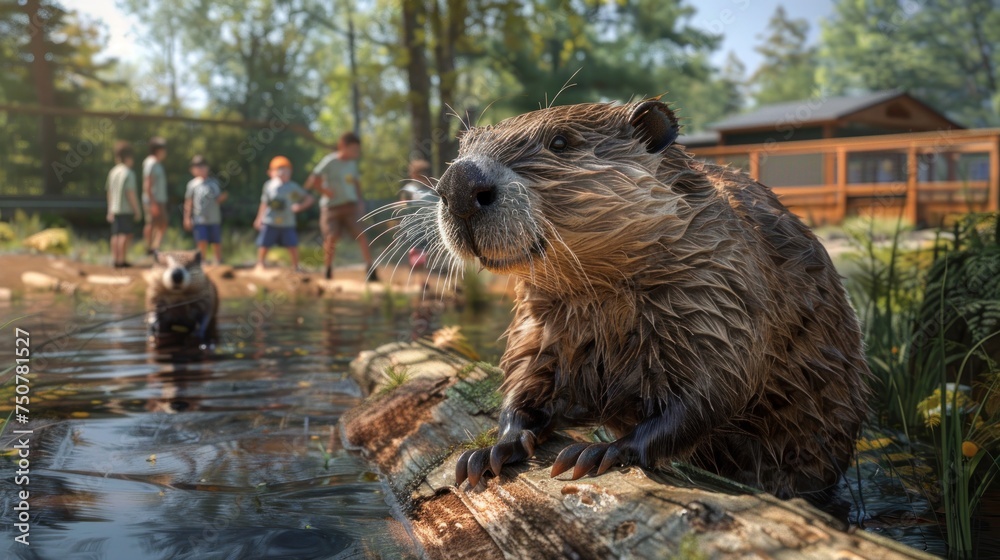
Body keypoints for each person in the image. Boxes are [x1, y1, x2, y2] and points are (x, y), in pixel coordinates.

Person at [305, 132, 377, 281]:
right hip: (331, 209)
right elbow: (313, 179)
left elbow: (356, 183)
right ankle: (328, 270)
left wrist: (360, 201)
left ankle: (370, 268)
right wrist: (325, 191)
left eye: (357, 150)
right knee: (331, 237)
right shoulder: (330, 161)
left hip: (351, 207)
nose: (356, 153)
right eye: (353, 149)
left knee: (362, 234)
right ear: (342, 146)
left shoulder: (352, 164)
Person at [253, 156, 314, 272]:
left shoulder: (293, 188)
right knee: (264, 243)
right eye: (280, 170)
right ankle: (260, 264)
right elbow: (264, 203)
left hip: (287, 222)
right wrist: (259, 219)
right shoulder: (269, 186)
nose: (283, 173)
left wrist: (299, 207)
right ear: (272, 172)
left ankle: (296, 266)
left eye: (286, 170)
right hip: (270, 221)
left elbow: (309, 199)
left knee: (292, 244)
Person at [183, 155, 228, 265]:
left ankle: (218, 260)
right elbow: (189, 202)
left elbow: (217, 199)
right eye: (197, 167)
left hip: (214, 218)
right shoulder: (192, 185)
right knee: (201, 240)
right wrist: (187, 218)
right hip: (199, 218)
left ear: (207, 168)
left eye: (202, 166)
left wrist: (222, 198)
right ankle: (202, 261)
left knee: (216, 241)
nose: (201, 169)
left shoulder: (214, 183)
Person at [106, 140, 142, 268]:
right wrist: (137, 210)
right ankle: (122, 260)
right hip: (126, 209)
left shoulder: (113, 172)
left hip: (114, 209)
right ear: (128, 158)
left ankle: (115, 259)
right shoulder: (128, 173)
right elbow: (130, 192)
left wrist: (109, 209)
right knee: (126, 234)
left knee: (115, 234)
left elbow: (109, 192)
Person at [398, 159, 437, 268]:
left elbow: (402, 206)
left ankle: (420, 266)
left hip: (418, 227)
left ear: (414, 174)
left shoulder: (410, 189)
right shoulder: (433, 188)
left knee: (420, 247)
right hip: (426, 226)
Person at [142, 136, 169, 254]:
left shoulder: (158, 164)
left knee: (163, 223)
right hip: (153, 200)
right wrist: (152, 203)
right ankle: (148, 248)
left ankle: (155, 247)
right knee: (151, 223)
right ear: (158, 150)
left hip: (160, 200)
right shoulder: (151, 162)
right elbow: (147, 183)